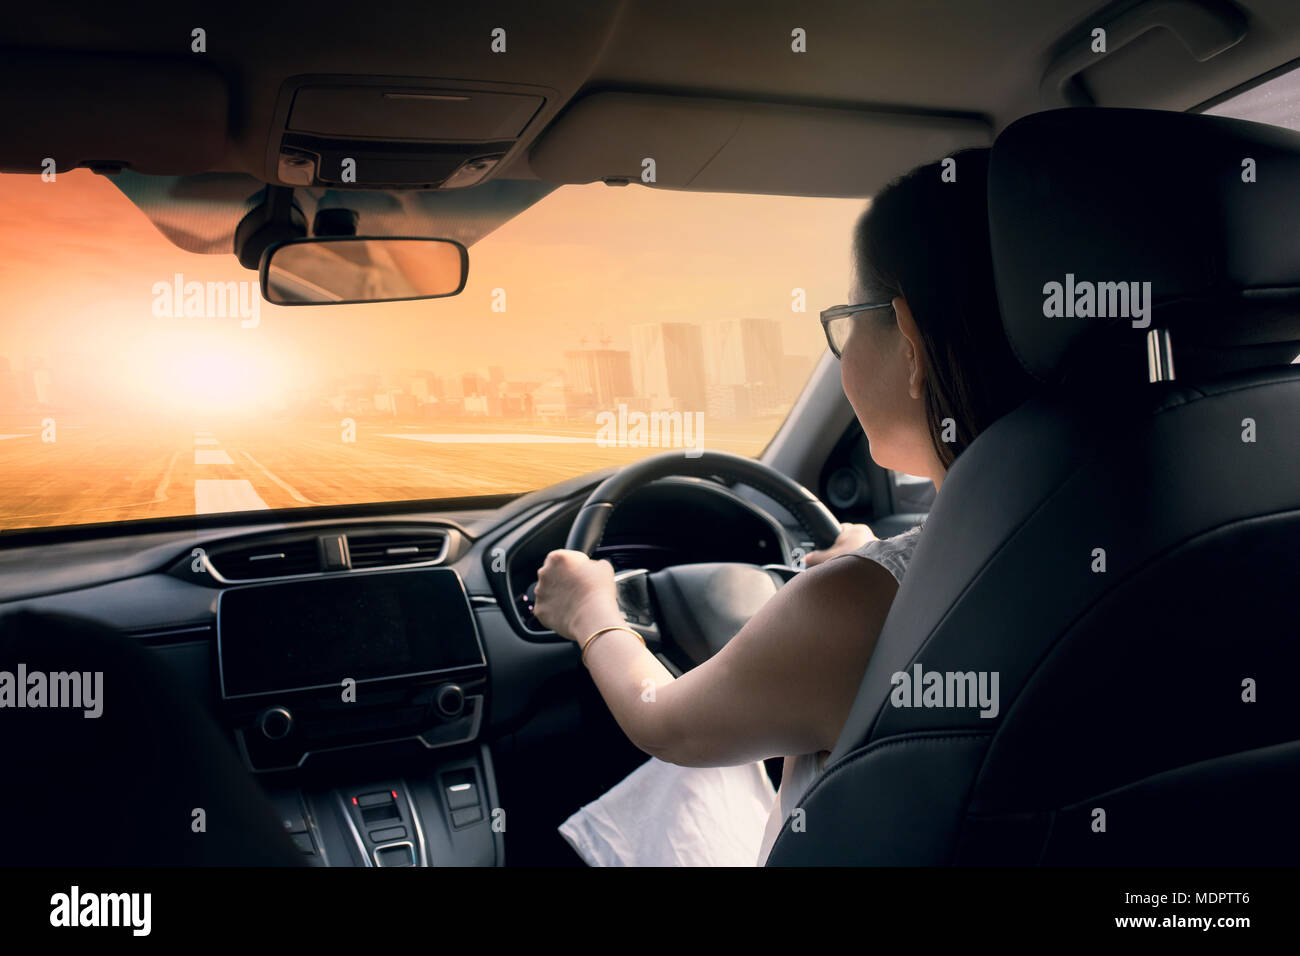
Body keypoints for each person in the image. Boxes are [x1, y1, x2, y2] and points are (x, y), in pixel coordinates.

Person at [533, 147, 1040, 865]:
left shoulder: (861, 603)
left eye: (848, 317)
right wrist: (871, 563)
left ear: (912, 339)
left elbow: (667, 725)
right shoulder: (1154, 530)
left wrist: (589, 614)